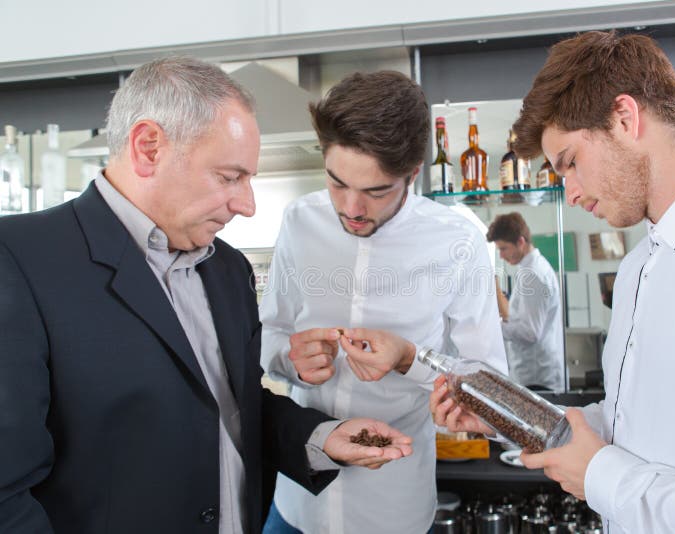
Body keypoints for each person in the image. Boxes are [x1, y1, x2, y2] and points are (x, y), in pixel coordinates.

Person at [0, 57, 413, 534]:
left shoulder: (227, 268)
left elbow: (228, 406)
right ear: (148, 148)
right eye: (229, 177)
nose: (248, 204)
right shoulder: (19, 260)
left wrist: (322, 436)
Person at [431, 30, 675, 532]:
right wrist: (505, 417)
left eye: (571, 164)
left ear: (625, 118)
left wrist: (607, 478)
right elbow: (633, 423)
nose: (572, 192)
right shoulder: (638, 266)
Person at [259, 70, 507, 533]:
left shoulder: (458, 242)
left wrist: (409, 360)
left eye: (375, 191)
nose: (351, 208)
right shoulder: (298, 221)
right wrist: (290, 359)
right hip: (295, 504)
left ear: (413, 174)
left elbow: (491, 387)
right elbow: (267, 335)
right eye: (336, 183)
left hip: (392, 510)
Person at [487, 212, 564, 392]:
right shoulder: (528, 271)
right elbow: (519, 319)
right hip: (532, 373)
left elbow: (530, 333)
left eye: (504, 248)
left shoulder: (533, 275)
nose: (502, 256)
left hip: (538, 377)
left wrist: (493, 325)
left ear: (521, 242)